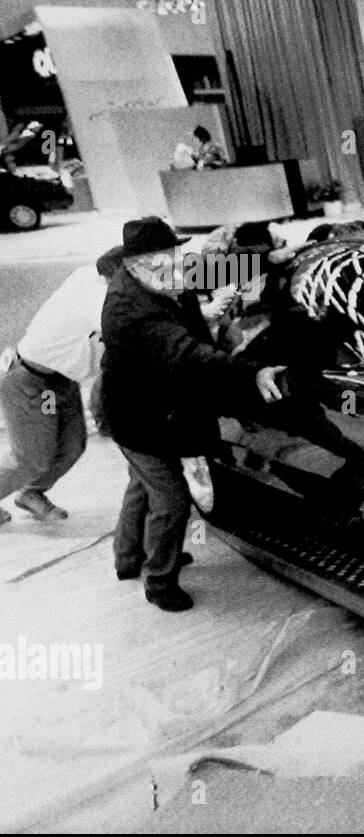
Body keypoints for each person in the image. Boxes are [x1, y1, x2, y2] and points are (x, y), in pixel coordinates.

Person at [100, 217, 286, 612]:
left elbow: (222, 270)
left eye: (174, 255)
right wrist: (252, 372)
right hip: (137, 417)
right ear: (135, 266)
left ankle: (129, 558)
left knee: (141, 484)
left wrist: (271, 257)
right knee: (170, 500)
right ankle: (159, 579)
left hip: (161, 410)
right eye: (161, 260)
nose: (173, 266)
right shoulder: (128, 309)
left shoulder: (164, 275)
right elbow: (187, 354)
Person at [0, 245, 125, 526]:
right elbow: (122, 322)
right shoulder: (98, 298)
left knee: (71, 447)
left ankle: (31, 493)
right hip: (32, 380)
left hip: (60, 381)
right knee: (32, 457)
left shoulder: (89, 276)